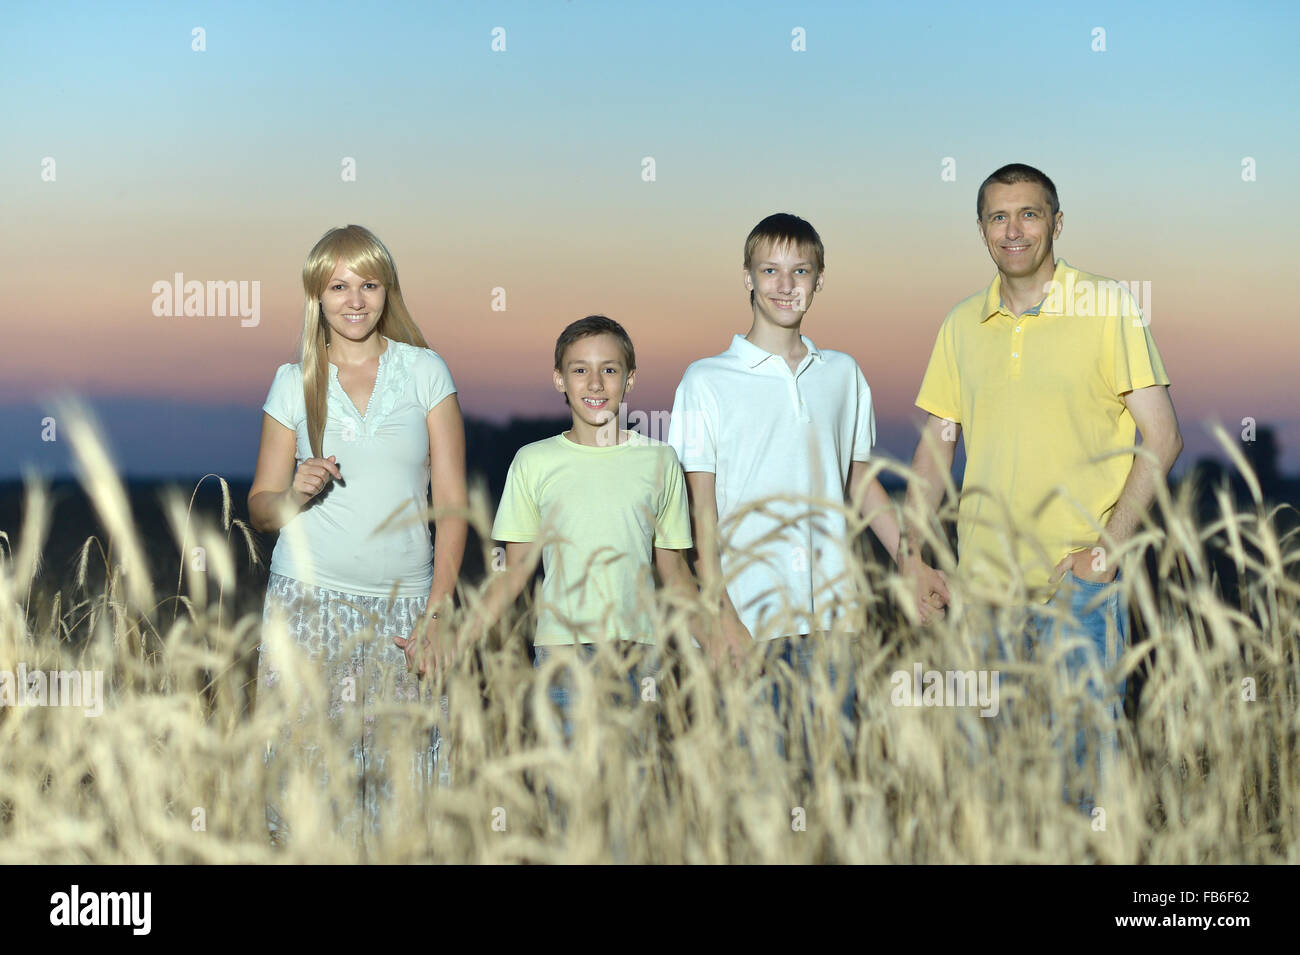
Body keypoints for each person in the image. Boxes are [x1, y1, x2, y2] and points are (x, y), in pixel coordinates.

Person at [902, 164, 1182, 803]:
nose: (1014, 230)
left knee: (1086, 789)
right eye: (998, 217)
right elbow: (935, 449)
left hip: (1076, 590)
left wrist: (1105, 551)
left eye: (1029, 214)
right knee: (993, 788)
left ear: (1057, 223)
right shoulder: (960, 324)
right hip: (981, 596)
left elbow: (1162, 437)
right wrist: (911, 558)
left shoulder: (1105, 303)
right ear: (981, 230)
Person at [666, 213, 949, 761]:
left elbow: (861, 484)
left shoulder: (843, 374)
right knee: (758, 795)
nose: (785, 284)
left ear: (820, 281)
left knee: (829, 792)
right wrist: (718, 612)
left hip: (835, 622)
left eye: (800, 271)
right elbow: (699, 509)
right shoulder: (706, 380)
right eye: (769, 270)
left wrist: (909, 562)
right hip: (748, 620)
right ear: (747, 277)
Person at [248, 224, 468, 847]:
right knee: (310, 792)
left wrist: (439, 610)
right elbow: (261, 509)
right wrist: (293, 493)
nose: (354, 299)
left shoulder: (426, 372)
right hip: (307, 607)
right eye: (338, 285)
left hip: (405, 609)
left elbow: (452, 503)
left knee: (404, 795)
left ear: (387, 291)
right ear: (316, 296)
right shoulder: (293, 382)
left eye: (368, 284)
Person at [450, 316, 695, 746]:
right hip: (563, 653)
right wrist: (458, 638)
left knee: (633, 795)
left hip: (638, 652)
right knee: (565, 795)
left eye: (610, 369)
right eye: (580, 370)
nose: (595, 384)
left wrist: (721, 641)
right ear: (559, 380)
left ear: (630, 379)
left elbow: (675, 574)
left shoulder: (661, 461)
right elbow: (513, 573)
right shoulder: (533, 462)